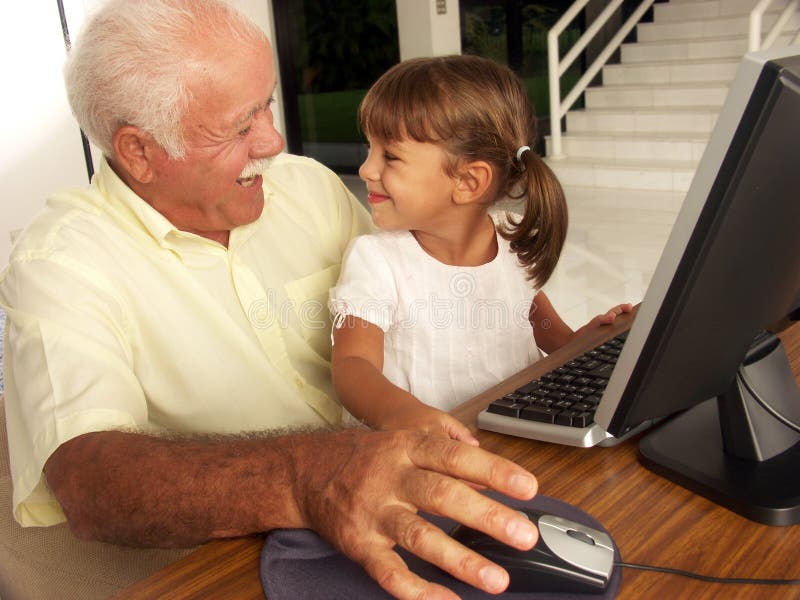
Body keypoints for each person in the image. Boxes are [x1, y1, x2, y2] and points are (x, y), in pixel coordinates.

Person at [0, 1, 540, 599]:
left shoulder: (304, 186)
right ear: (139, 152)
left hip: (387, 493)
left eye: (267, 104)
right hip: (229, 554)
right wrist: (308, 474)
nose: (273, 139)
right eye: (238, 127)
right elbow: (89, 481)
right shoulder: (59, 263)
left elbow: (417, 292)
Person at [329, 55, 631, 440]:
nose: (367, 169)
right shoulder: (376, 261)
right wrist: (403, 413)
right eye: (370, 150)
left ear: (469, 182)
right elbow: (352, 364)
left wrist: (589, 340)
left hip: (507, 444)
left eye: (389, 156)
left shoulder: (510, 246)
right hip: (419, 460)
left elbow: (551, 338)